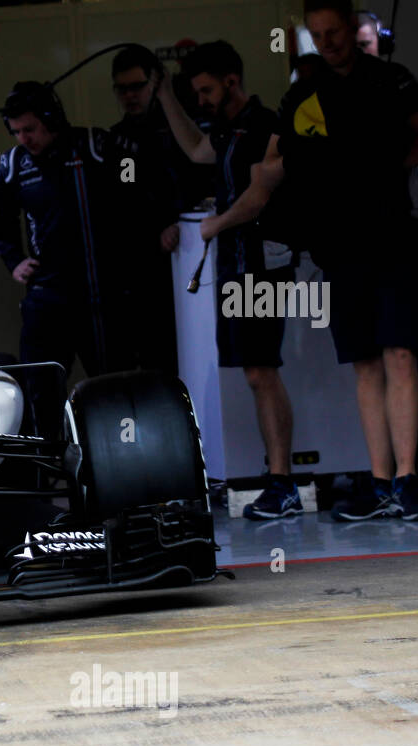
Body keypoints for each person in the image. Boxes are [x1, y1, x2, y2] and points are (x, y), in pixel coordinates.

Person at [200, 0, 418, 521]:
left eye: (334, 31)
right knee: (364, 364)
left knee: (401, 355)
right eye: (318, 34)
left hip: (396, 239)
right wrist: (296, 173)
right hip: (341, 249)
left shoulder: (392, 79)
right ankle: (379, 485)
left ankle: (408, 481)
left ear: (352, 28)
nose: (328, 41)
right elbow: (268, 170)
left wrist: (377, 168)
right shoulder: (301, 94)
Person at [155, 41, 303, 520]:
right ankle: (277, 478)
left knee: (262, 370)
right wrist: (165, 97)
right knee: (254, 372)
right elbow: (196, 148)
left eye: (206, 90)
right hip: (235, 266)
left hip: (265, 261)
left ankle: (282, 482)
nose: (201, 100)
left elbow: (260, 196)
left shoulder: (265, 125)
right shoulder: (222, 130)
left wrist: (216, 224)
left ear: (232, 82)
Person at [0, 81, 134, 438]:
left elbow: (134, 198)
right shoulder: (12, 164)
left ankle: (120, 461)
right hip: (47, 297)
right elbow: (0, 217)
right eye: (17, 131)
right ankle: (48, 473)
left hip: (101, 294)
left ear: (51, 120)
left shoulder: (94, 146)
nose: (24, 138)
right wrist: (14, 261)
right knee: (40, 387)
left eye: (31, 129)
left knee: (112, 384)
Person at [107, 45, 189, 377]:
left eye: (137, 86)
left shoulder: (182, 130)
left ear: (154, 85)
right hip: (141, 273)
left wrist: (180, 224)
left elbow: (200, 188)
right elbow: (117, 210)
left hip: (188, 264)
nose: (129, 96)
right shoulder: (115, 141)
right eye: (121, 88)